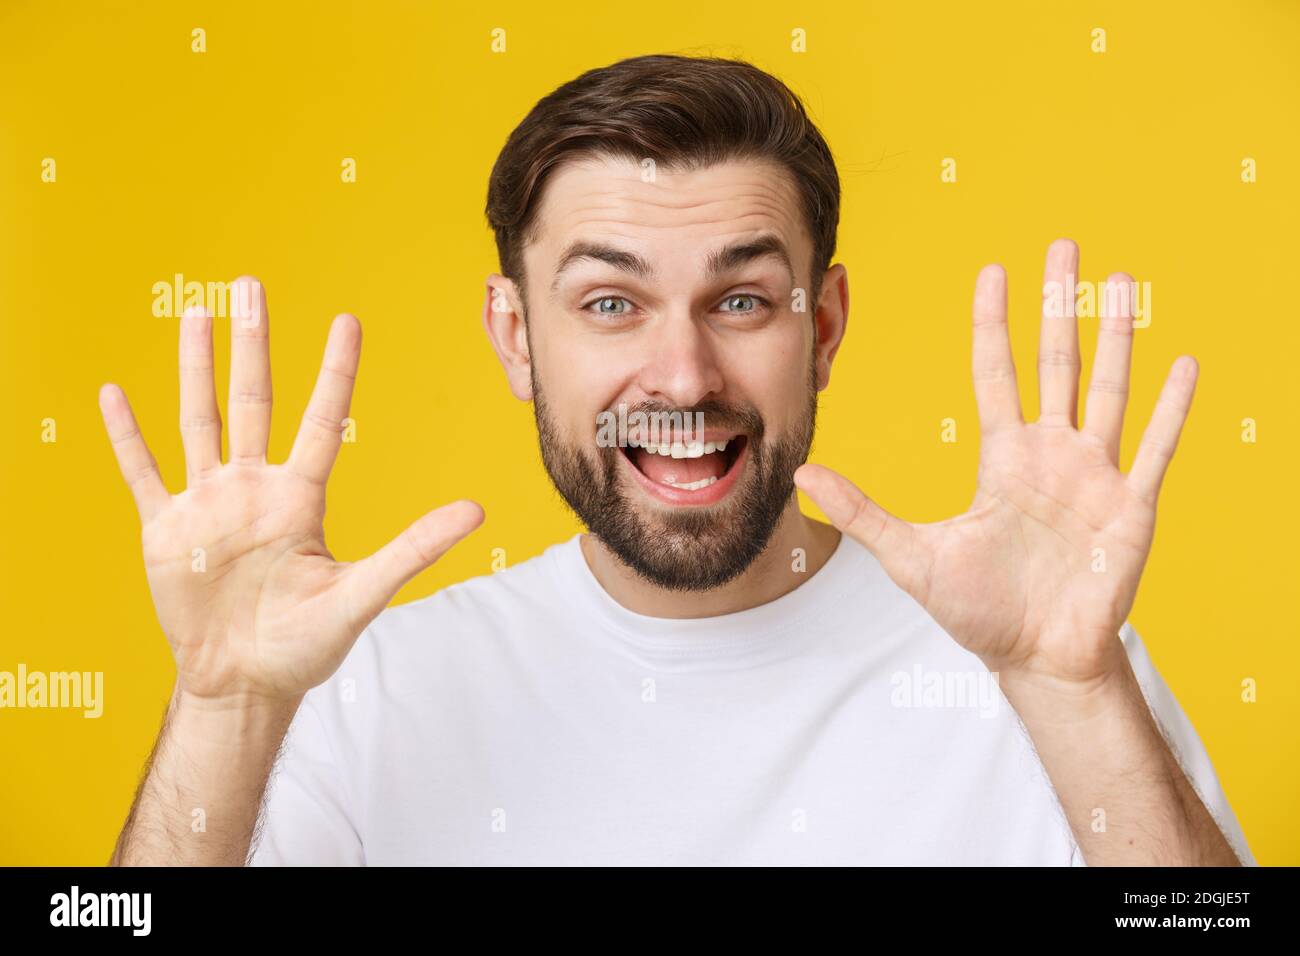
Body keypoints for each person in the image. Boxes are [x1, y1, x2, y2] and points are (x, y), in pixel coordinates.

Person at [102, 54, 1254, 866]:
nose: (684, 374)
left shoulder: (1042, 670)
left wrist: (1078, 699)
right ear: (515, 337)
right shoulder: (366, 691)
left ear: (825, 325)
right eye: (610, 301)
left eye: (742, 298)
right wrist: (220, 708)